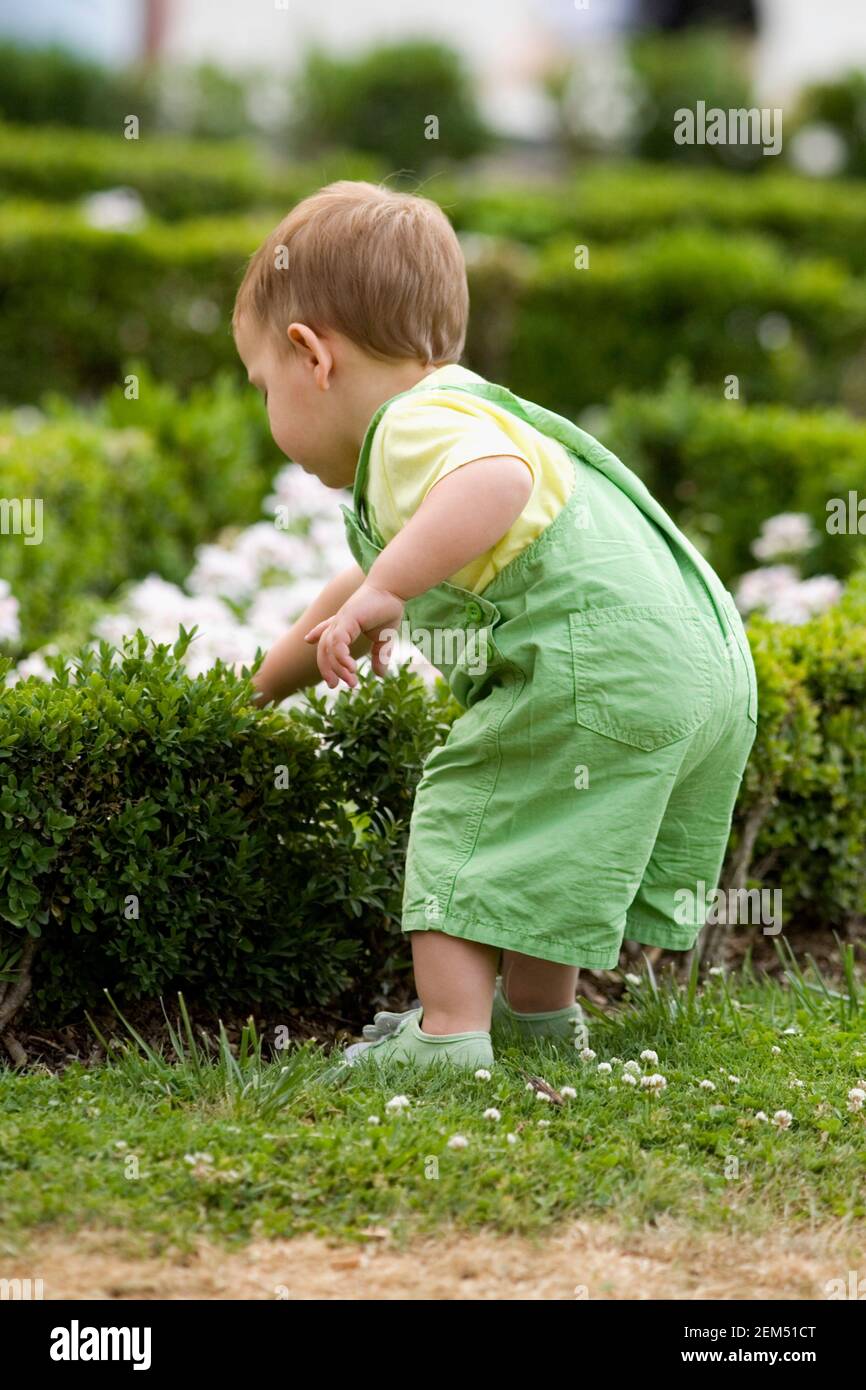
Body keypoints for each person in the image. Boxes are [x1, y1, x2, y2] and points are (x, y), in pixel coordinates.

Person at [233, 181, 758, 1073]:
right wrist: (260, 688)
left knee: (469, 805)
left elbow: (495, 484)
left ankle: (447, 1038)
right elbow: (351, 583)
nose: (267, 409)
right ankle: (539, 1023)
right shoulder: (462, 411)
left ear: (312, 356)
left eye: (261, 386)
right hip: (697, 668)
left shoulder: (416, 428)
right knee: (550, 831)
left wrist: (389, 592)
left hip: (601, 672)